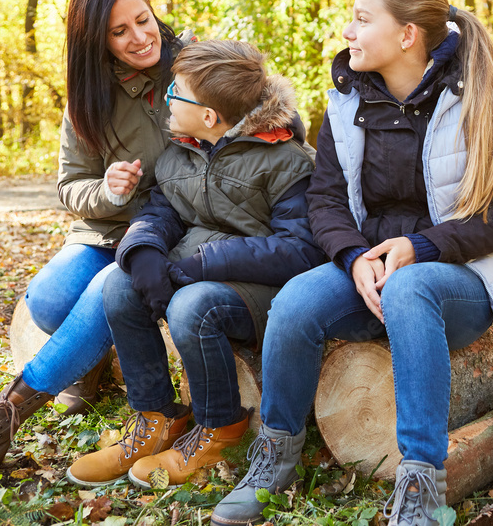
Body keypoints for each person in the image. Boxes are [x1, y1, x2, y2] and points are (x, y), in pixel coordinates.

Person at [210, 0, 493, 526]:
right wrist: (355, 258)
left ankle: (422, 485)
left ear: (407, 35)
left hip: (461, 278)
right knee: (295, 302)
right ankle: (276, 457)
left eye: (362, 19)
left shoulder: (480, 100)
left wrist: (420, 247)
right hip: (370, 269)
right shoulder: (345, 105)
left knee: (409, 287)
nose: (347, 32)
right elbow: (326, 203)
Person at [0, 0, 191, 506]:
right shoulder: (86, 96)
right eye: (120, 32)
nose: (140, 38)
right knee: (47, 301)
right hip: (105, 229)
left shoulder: (194, 68)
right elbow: (70, 186)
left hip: (171, 231)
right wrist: (109, 191)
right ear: (96, 41)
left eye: (143, 20)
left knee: (102, 294)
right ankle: (86, 367)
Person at [65, 39, 323, 489]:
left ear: (209, 116)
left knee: (192, 306)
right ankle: (157, 418)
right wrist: (142, 249)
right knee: (118, 287)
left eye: (175, 91)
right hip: (199, 272)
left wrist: (205, 263)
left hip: (262, 290)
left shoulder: (285, 161)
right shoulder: (180, 152)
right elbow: (160, 210)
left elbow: (300, 249)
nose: (166, 97)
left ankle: (220, 427)